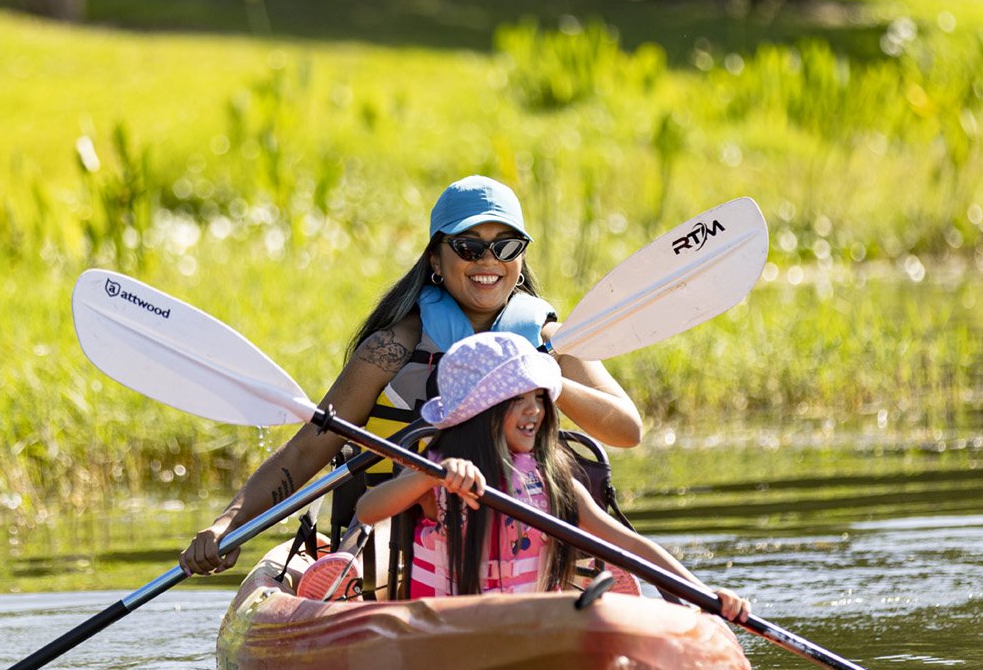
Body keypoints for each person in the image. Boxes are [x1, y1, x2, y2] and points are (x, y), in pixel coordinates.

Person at [180, 175, 643, 575]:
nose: (489, 261)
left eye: (506, 247)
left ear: (520, 260)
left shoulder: (553, 344)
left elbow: (627, 430)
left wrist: (544, 376)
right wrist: (228, 525)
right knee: (389, 536)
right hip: (403, 541)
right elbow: (306, 450)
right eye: (469, 247)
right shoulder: (392, 349)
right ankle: (347, 578)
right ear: (436, 261)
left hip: (519, 538)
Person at [353, 331, 746, 618]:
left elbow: (629, 544)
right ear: (477, 413)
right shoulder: (439, 475)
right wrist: (431, 478)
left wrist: (702, 593)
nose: (534, 411)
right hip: (448, 628)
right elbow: (369, 510)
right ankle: (344, 573)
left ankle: (601, 598)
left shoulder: (552, 477)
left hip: (534, 627)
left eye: (539, 398)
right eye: (517, 400)